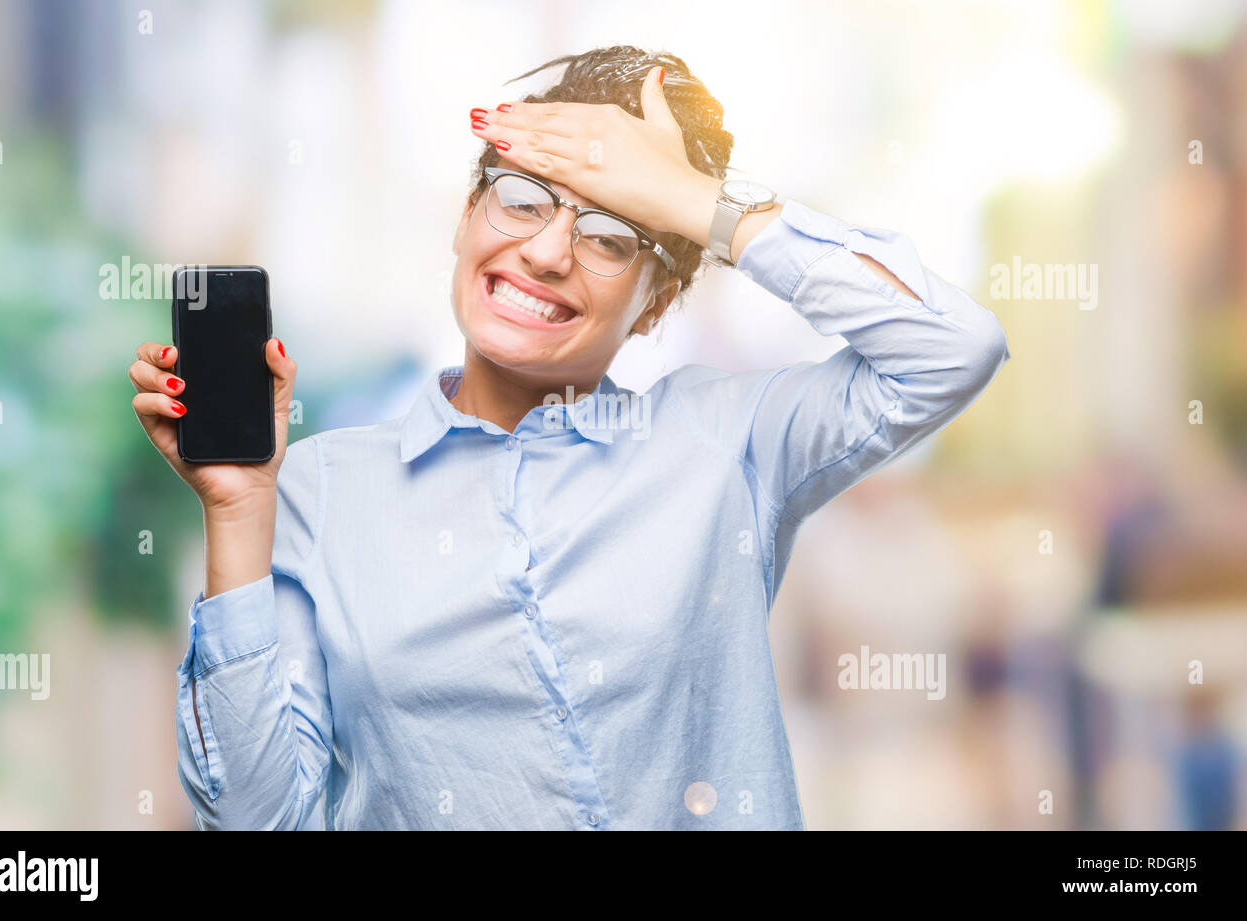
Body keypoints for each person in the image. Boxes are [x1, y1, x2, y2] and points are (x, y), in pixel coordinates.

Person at [129, 45, 1010, 830]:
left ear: (658, 303)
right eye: (519, 198)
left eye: (610, 234)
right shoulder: (320, 492)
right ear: (465, 216)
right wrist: (240, 515)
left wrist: (700, 201)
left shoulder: (727, 444)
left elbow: (949, 349)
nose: (548, 253)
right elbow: (251, 818)